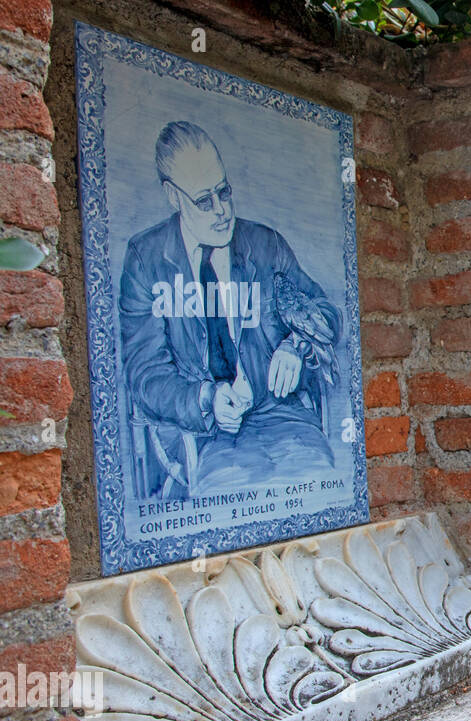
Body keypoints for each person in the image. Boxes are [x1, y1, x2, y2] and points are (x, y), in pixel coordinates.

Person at [118, 121, 338, 497]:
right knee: (230, 490)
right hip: (200, 434)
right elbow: (144, 374)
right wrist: (204, 398)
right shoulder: (146, 258)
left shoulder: (264, 245)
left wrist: (296, 347)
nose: (221, 211)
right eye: (204, 201)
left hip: (279, 415)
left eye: (224, 192)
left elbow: (326, 315)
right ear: (173, 197)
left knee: (316, 476)